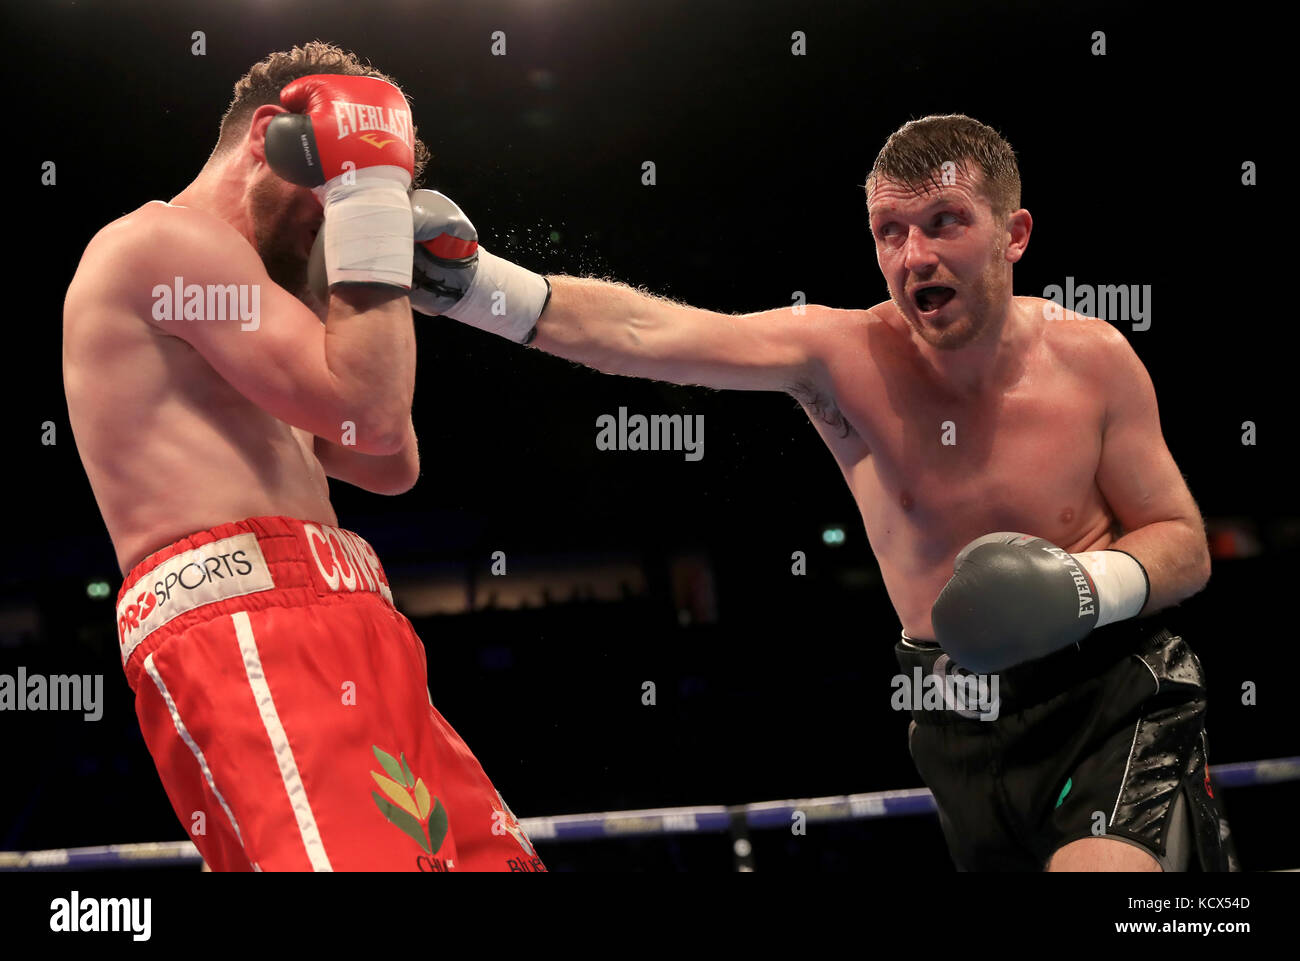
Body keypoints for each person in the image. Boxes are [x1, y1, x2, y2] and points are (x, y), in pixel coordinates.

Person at [409, 113, 1236, 871]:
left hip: (1112, 693)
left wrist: (1085, 589)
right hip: (954, 717)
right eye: (890, 231)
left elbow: (1182, 539)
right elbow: (646, 333)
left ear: (1014, 233)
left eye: (946, 220)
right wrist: (479, 286)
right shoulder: (841, 356)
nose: (916, 255)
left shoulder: (1093, 356)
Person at [63, 42, 544, 872]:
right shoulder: (162, 244)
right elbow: (375, 416)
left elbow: (388, 465)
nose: (340, 220)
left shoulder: (264, 307)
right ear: (267, 139)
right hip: (247, 624)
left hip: (350, 613)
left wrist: (348, 277)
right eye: (337, 191)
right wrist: (370, 236)